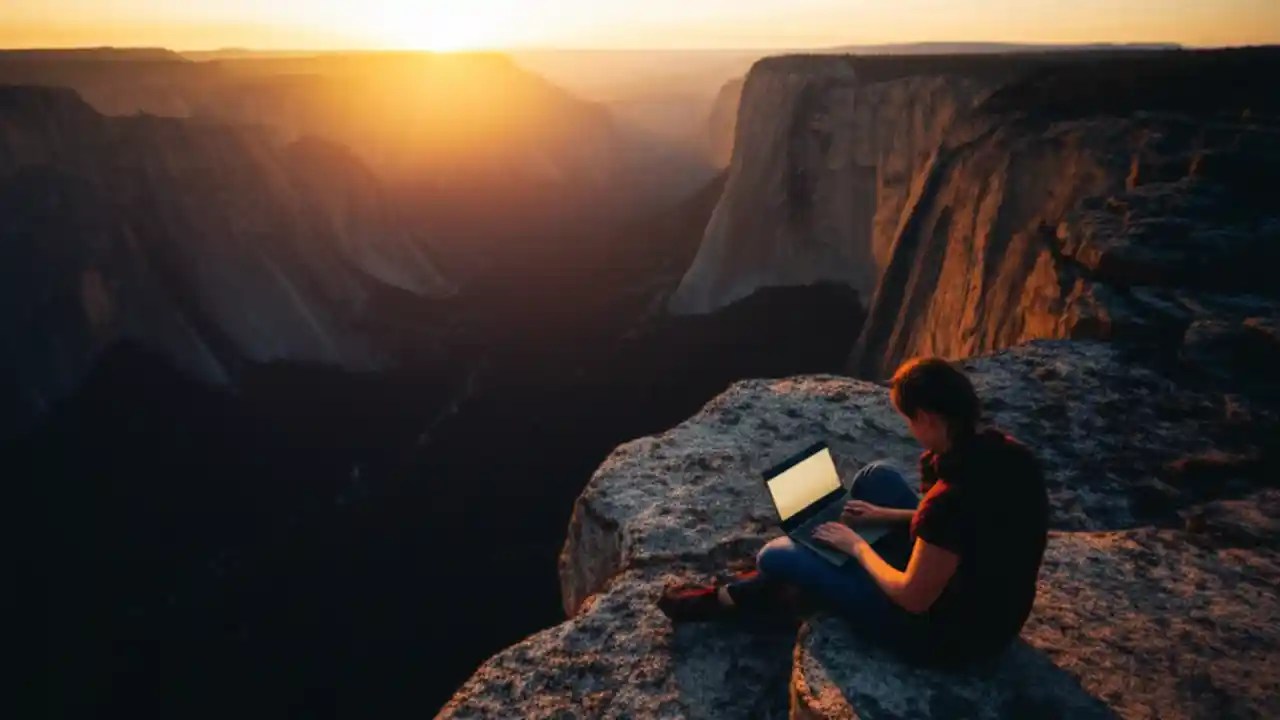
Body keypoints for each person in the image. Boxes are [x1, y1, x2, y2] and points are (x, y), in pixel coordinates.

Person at [658, 357, 1050, 666]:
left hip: (943, 635)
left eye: (909, 420)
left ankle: (738, 596)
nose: (910, 430)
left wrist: (855, 546)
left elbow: (913, 598)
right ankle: (809, 566)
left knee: (774, 555)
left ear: (928, 418)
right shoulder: (1011, 455)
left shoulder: (948, 502)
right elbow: (967, 532)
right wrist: (885, 515)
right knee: (875, 476)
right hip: (986, 601)